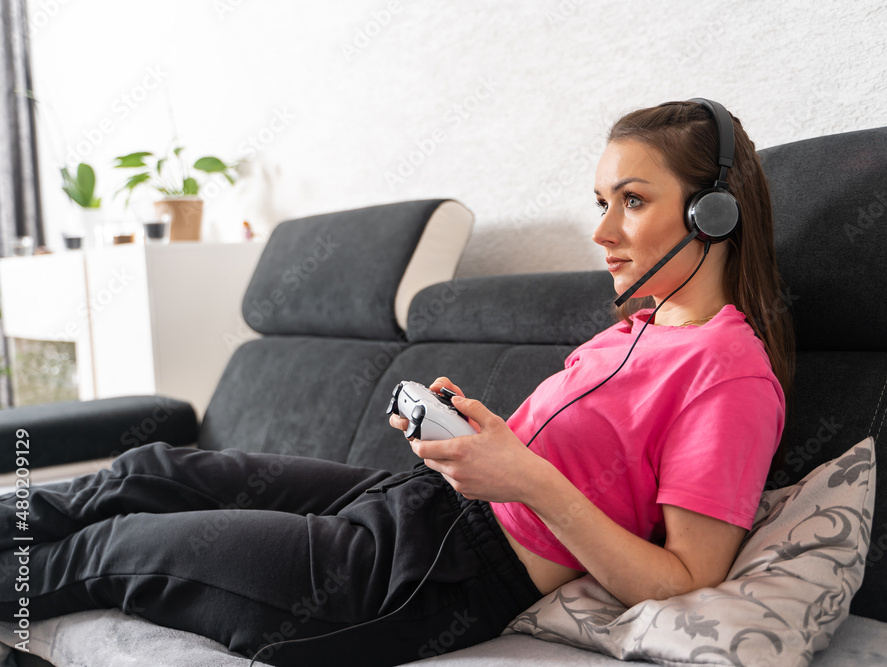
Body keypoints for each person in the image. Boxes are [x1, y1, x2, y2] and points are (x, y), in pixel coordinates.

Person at [0, 100, 793, 666]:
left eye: (632, 200)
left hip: (428, 579)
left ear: (712, 213)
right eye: (600, 201)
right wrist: (479, 438)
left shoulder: (730, 375)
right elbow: (557, 456)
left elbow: (689, 577)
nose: (602, 231)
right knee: (153, 469)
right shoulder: (635, 330)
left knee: (113, 547)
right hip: (415, 502)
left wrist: (528, 478)